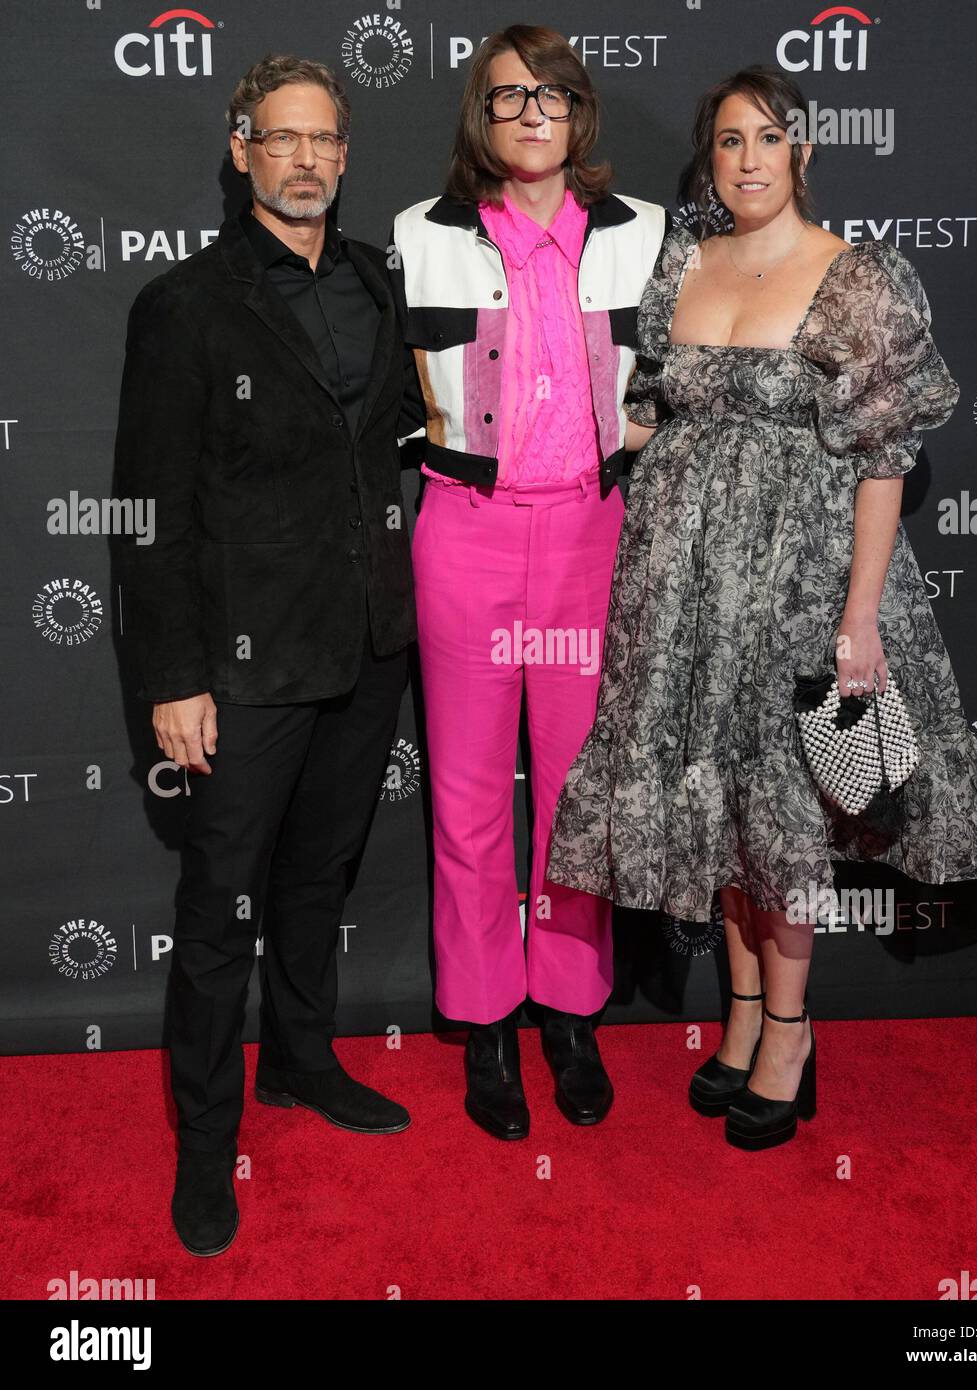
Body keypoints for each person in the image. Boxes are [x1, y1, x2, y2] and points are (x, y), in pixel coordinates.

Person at [545, 65, 977, 1151]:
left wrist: (857, 618)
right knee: (716, 793)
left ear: (800, 151)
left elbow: (881, 461)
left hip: (800, 581)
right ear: (707, 157)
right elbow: (646, 412)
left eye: (767, 137)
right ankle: (742, 1013)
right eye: (728, 140)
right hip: (680, 583)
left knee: (784, 810)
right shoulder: (683, 256)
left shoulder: (857, 278)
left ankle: (790, 1033)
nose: (748, 157)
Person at [113, 54, 424, 1255]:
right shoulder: (184, 305)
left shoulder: (373, 283)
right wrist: (172, 679)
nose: (304, 158)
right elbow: (149, 509)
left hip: (363, 647)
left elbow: (412, 437)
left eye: (323, 140)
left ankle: (301, 1063)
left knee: (316, 880)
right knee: (216, 910)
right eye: (279, 138)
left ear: (345, 158)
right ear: (241, 152)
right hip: (240, 669)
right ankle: (204, 1144)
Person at [391, 25, 670, 1140]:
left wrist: (636, 434)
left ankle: (566, 1011)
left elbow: (684, 380)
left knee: (572, 793)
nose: (530, 113)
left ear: (578, 111)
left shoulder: (643, 234)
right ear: (482, 115)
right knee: (463, 797)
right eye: (507, 97)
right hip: (462, 532)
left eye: (550, 94)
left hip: (586, 540)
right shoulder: (421, 235)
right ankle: (485, 1020)